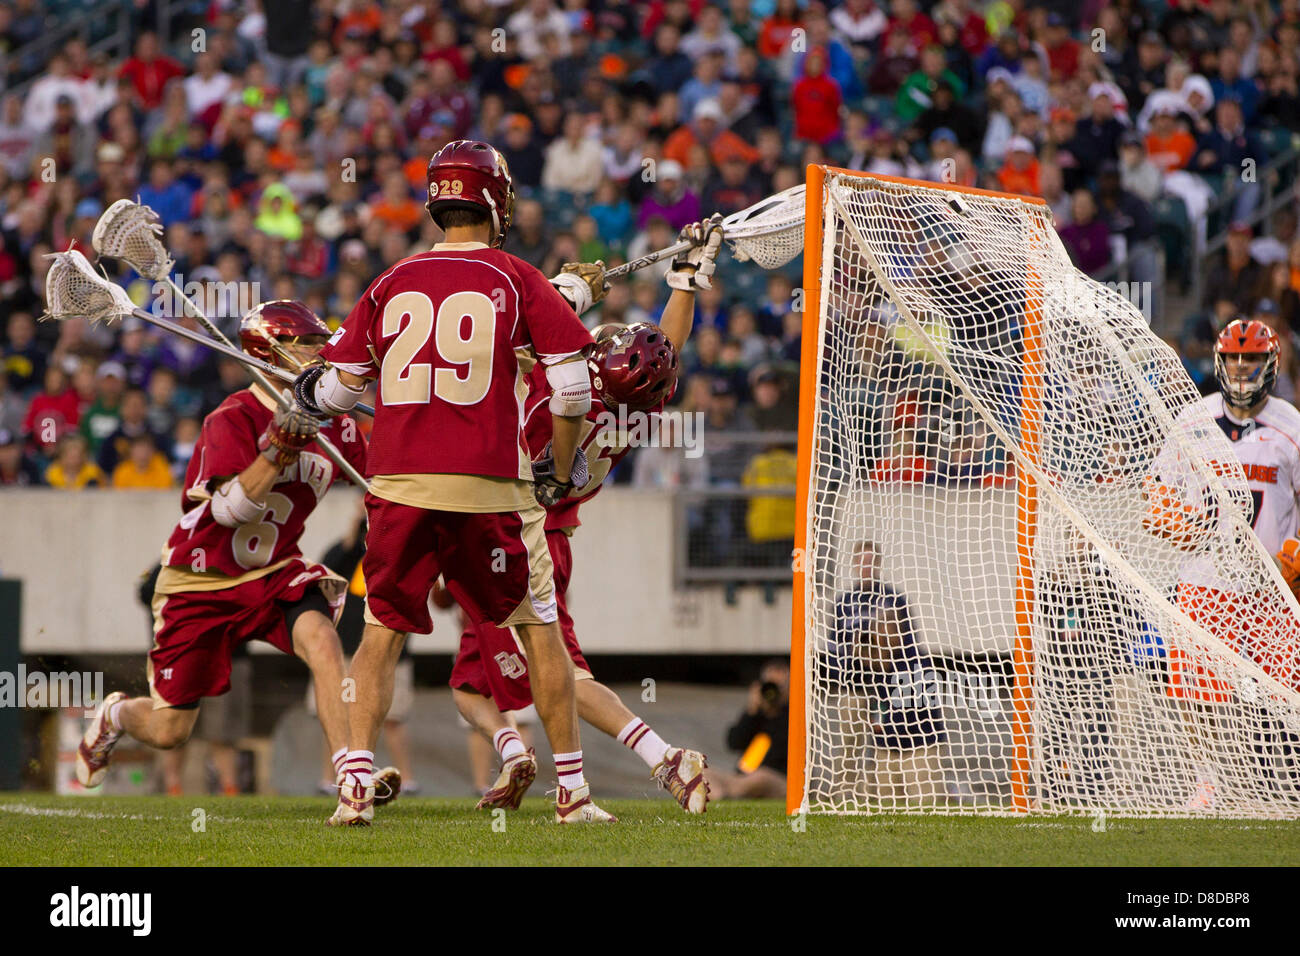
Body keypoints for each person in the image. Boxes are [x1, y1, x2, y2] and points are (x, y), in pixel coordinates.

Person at [294, 140, 610, 825]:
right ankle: (573, 793)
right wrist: (556, 465)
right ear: (494, 200)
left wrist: (311, 387)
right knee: (538, 631)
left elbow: (341, 394)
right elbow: (573, 387)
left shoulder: (390, 280)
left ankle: (352, 791)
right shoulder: (516, 276)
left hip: (400, 480)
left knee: (381, 634)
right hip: (489, 481)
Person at [448, 220, 722, 816]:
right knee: (469, 683)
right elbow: (664, 350)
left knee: (560, 674)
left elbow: (502, 340)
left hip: (521, 536)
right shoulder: (642, 396)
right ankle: (514, 751)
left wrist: (565, 293)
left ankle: (661, 756)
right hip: (542, 529)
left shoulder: (568, 395)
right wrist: (686, 280)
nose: (606, 340)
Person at [74, 302, 367, 824]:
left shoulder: (335, 422)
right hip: (202, 578)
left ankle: (351, 778)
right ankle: (115, 713)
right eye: (310, 347)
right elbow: (229, 512)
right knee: (171, 731)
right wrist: (277, 448)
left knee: (323, 642)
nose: (323, 357)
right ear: (271, 353)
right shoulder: (231, 419)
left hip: (274, 569)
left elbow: (382, 479)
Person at [1144, 319, 1300, 808]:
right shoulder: (1193, 420)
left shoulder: (1291, 425)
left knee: (1285, 693)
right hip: (1205, 580)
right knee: (1197, 692)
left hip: (1271, 584)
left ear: (1268, 364)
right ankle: (1207, 780)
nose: (1240, 368)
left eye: (1250, 359)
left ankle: (1280, 779)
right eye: (1233, 358)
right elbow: (1156, 492)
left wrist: (1295, 555)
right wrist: (1174, 521)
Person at [823, 541, 945, 806]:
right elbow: (834, 646)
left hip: (887, 682)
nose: (866, 566)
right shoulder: (844, 602)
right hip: (856, 680)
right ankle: (846, 794)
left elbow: (909, 643)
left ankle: (878, 791)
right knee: (850, 741)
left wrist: (885, 656)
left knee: (886, 739)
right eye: (862, 561)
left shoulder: (894, 599)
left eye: (870, 561)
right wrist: (856, 657)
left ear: (877, 564)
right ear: (856, 565)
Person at [703, 660, 790, 800]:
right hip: (743, 777)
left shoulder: (792, 717)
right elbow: (733, 742)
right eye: (769, 685)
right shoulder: (755, 715)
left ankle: (728, 794)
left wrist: (777, 710)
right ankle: (719, 796)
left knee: (760, 777)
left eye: (778, 686)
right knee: (704, 772)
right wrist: (752, 710)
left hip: (778, 779)